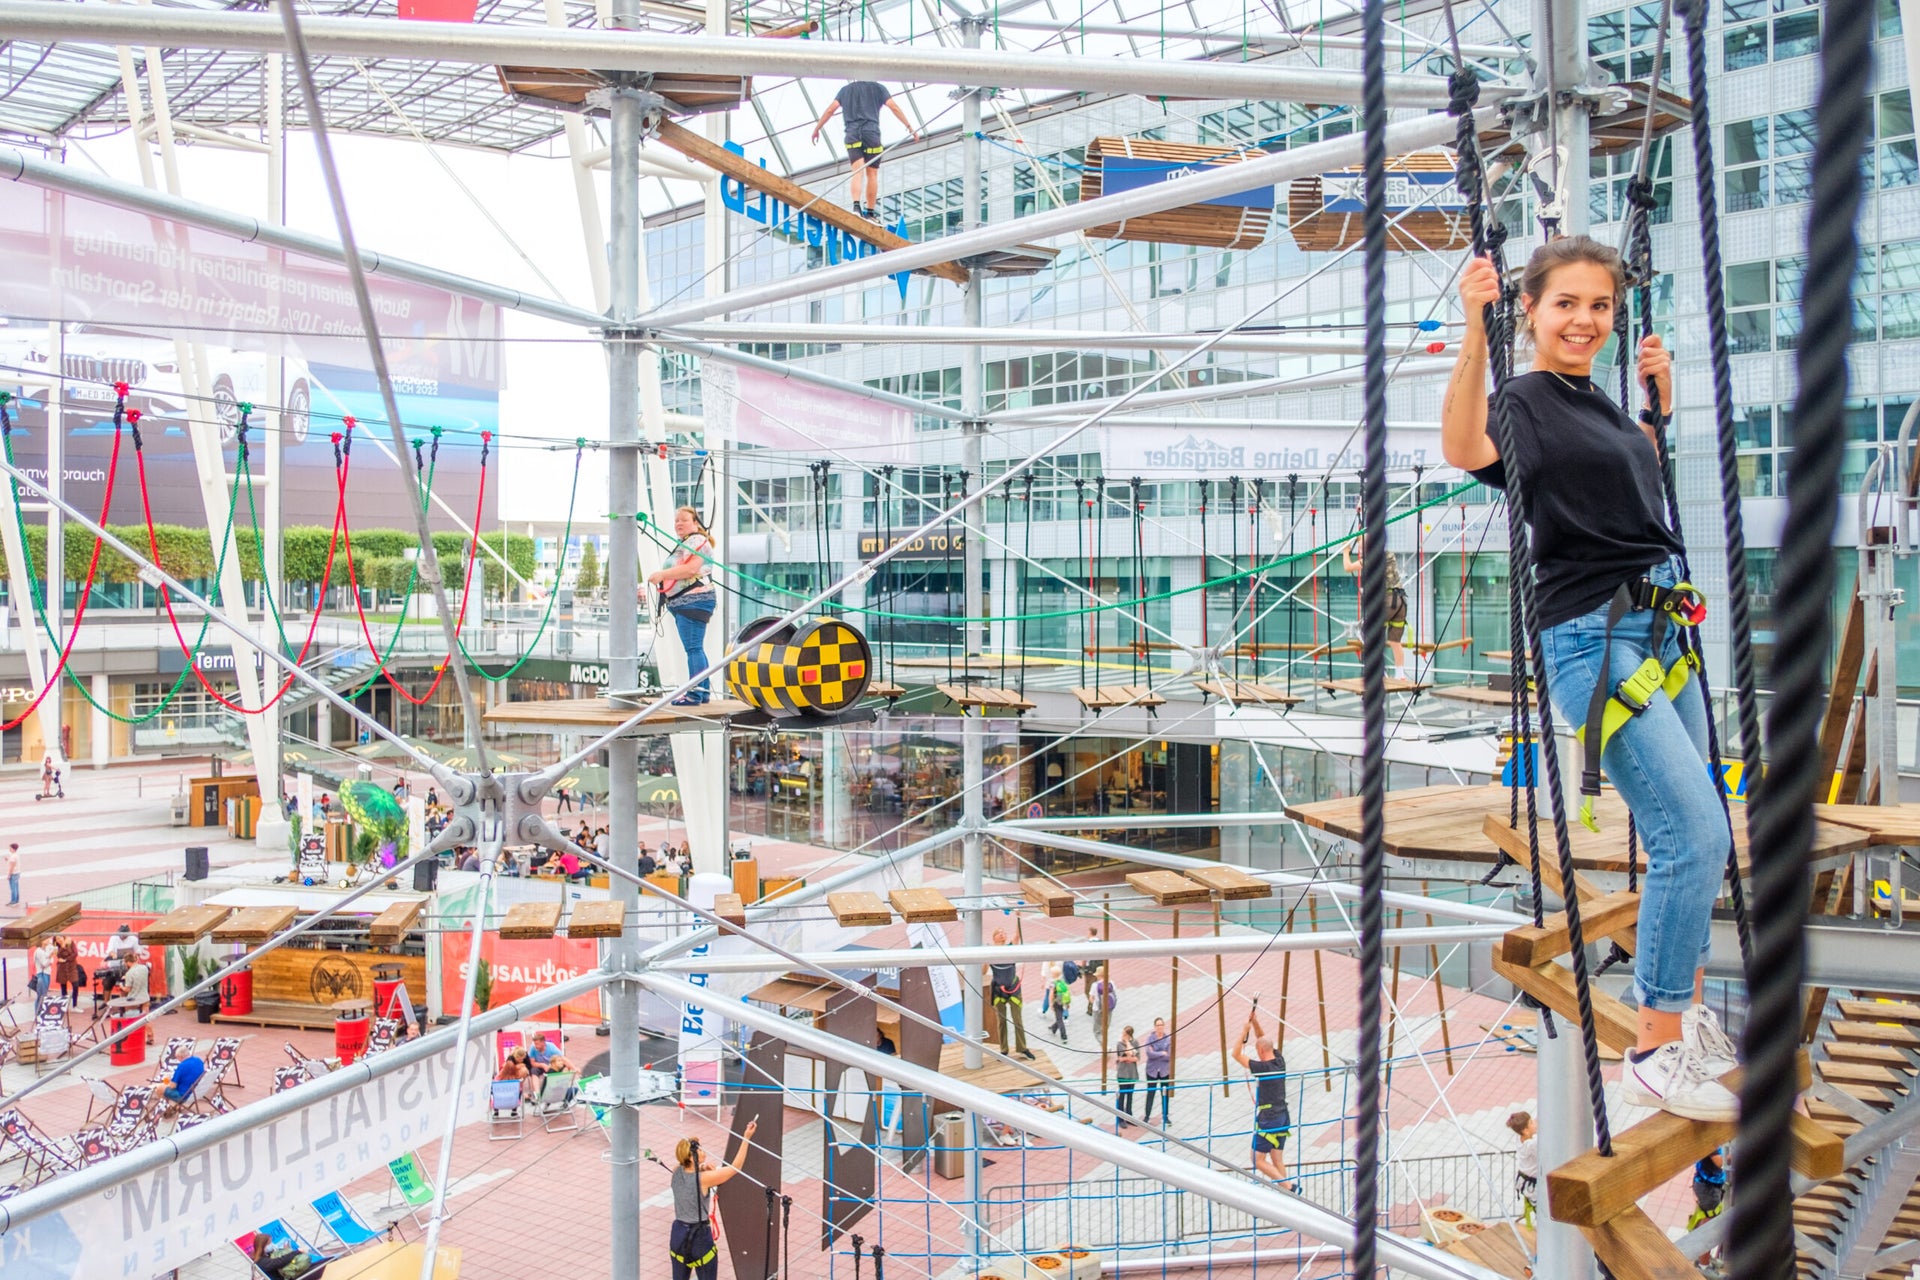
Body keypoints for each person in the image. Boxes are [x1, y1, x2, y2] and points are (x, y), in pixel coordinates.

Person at [1443, 237, 1737, 1122]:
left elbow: (1624, 493)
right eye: (1565, 304)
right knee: (1695, 837)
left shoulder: (1602, 405)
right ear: (1531, 312)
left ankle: (1675, 1024)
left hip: (1658, 631)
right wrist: (1472, 328)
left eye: (1599, 306)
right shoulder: (1525, 402)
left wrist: (1657, 413)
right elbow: (1463, 446)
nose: (1584, 321)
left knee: (1701, 830)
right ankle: (1656, 1043)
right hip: (1592, 642)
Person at [808, 82, 919, 220]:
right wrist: (909, 126)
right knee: (872, 174)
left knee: (857, 172)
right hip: (871, 133)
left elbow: (831, 110)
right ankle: (870, 213)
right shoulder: (878, 88)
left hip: (852, 134)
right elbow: (893, 107)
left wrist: (817, 128)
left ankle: (856, 207)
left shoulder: (845, 90)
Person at [647, 506, 719, 706]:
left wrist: (662, 575)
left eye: (684, 520)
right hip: (689, 602)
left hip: (693, 601)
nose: (678, 524)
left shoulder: (697, 541)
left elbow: (691, 569)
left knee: (693, 648)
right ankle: (701, 692)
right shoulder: (688, 543)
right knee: (696, 648)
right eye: (676, 520)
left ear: (696, 523)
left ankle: (695, 694)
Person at [671, 1121, 757, 1280]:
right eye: (700, 1150)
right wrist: (746, 1138)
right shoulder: (704, 1179)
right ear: (692, 1157)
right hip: (699, 1238)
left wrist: (702, 1166)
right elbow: (735, 1168)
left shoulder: (677, 1172)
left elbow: (687, 1168)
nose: (704, 1151)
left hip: (678, 1236)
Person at [1233, 1012, 1297, 1191]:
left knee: (1257, 1158)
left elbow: (1236, 1054)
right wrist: (1255, 1023)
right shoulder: (1279, 1060)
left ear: (1261, 1051)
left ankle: (1289, 1187)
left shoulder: (1262, 1068)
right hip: (1283, 1115)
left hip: (1269, 1117)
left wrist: (1244, 1031)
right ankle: (1288, 1195)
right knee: (1277, 1159)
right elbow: (1263, 1039)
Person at [1341, 518, 1410, 681]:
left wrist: (1345, 551)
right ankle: (1400, 675)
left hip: (1387, 601)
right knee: (1394, 641)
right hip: (1400, 602)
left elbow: (1348, 567)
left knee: (1364, 631)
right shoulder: (1389, 554)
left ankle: (1381, 670)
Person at [987, 929, 1035, 1060]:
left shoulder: (1010, 948)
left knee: (1017, 1020)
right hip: (998, 991)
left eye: (1004, 932)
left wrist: (1018, 917)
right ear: (994, 937)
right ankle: (1004, 1049)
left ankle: (1022, 1047)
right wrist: (984, 958)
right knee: (1001, 1021)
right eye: (999, 933)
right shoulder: (989, 951)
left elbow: (1018, 935)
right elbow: (983, 971)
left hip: (1013, 989)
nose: (1002, 934)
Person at [1689, 1147, 1728, 1273]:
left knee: (1708, 1223)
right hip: (1707, 1188)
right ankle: (1703, 1266)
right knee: (1709, 1228)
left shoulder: (1712, 1136)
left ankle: (1704, 1258)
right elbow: (1719, 1162)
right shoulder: (1710, 1140)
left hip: (1710, 1185)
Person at [1507, 1111, 1538, 1229]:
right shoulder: (1531, 1145)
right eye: (1531, 1122)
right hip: (1533, 1187)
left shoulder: (1521, 1138)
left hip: (1525, 1181)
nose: (1534, 1123)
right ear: (1525, 1130)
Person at [1141, 1016, 1173, 1126]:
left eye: (1161, 1025)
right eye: (1158, 1025)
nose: (1160, 1027)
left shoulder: (1168, 1039)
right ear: (1155, 1027)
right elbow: (1149, 1053)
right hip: (1152, 1070)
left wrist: (1156, 1053)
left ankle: (1166, 1116)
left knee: (1165, 1093)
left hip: (1164, 1071)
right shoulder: (1150, 1038)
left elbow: (1169, 1056)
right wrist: (1161, 1053)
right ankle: (1147, 1116)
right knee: (1151, 1093)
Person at [1114, 1025, 1141, 1128]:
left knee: (1130, 1095)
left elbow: (1137, 1058)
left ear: (1129, 1035)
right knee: (1122, 1095)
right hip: (1122, 1074)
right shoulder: (1120, 1043)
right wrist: (1129, 1055)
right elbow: (1127, 1054)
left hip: (1132, 1073)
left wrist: (1127, 1057)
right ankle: (1120, 1118)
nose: (1122, 1036)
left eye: (1124, 1034)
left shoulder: (1135, 1042)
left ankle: (1129, 1117)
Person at [53, 933, 80, 1009]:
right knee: (63, 986)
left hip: (71, 966)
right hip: (62, 968)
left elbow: (75, 953)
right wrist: (62, 947)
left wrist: (66, 959)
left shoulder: (70, 942)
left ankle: (75, 1005)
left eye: (60, 937)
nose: (59, 940)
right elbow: (58, 955)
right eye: (57, 939)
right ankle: (64, 1005)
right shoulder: (56, 946)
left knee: (75, 985)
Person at [1046, 965, 1072, 1042]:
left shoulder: (1053, 983)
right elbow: (1067, 992)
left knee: (1059, 1019)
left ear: (1053, 974)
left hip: (1056, 1002)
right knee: (1059, 1016)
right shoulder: (1063, 981)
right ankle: (1053, 1028)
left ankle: (1064, 1036)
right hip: (1063, 1001)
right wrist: (1067, 1003)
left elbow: (1051, 994)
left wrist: (1050, 1003)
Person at [1080, 926, 1103, 1009]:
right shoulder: (1101, 942)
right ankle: (1094, 1004)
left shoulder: (1087, 944)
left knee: (1088, 990)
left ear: (1090, 933)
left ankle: (1093, 1005)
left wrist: (1082, 968)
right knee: (1098, 987)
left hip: (1090, 970)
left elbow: (1084, 958)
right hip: (1100, 969)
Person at [29, 936, 53, 1011]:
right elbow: (44, 963)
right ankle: (38, 1012)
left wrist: (49, 958)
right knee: (41, 995)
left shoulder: (45, 950)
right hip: (42, 974)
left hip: (47, 973)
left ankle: (42, 1011)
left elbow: (51, 961)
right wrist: (50, 958)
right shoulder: (38, 951)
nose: (48, 939)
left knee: (44, 994)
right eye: (46, 938)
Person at [6, 842, 18, 907]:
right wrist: (7, 859)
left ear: (13, 849)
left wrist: (9, 875)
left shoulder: (13, 856)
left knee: (13, 888)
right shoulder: (16, 855)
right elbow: (13, 862)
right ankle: (16, 900)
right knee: (16, 887)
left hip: (13, 873)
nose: (9, 849)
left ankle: (13, 901)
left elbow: (12, 866)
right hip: (17, 873)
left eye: (10, 848)